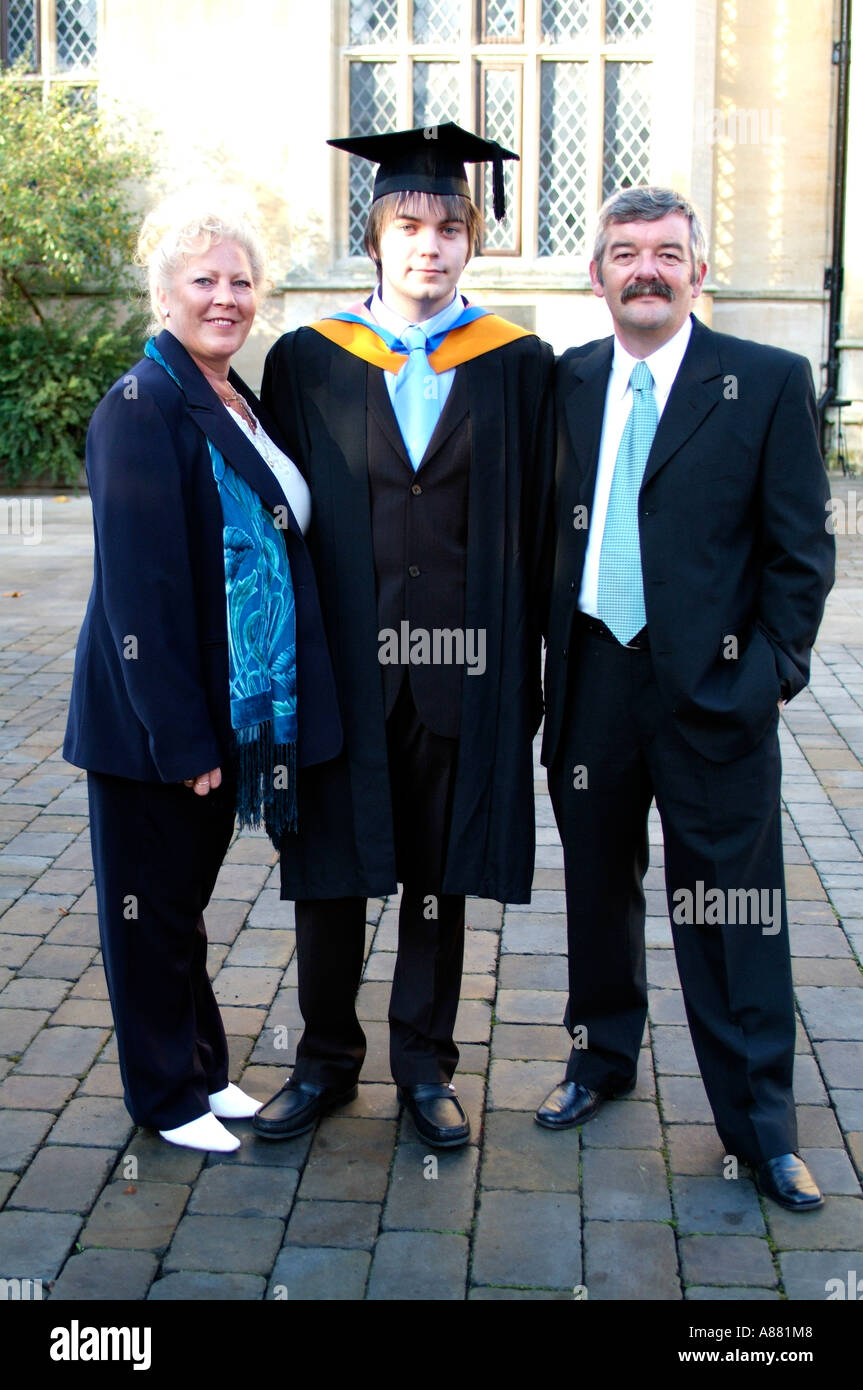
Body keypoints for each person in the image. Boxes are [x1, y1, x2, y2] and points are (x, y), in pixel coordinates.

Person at [253, 123, 553, 1148]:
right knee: (330, 871)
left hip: (460, 673)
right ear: (373, 238)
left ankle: (424, 1065)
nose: (429, 244)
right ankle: (323, 1062)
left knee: (435, 875)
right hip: (345, 666)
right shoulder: (306, 361)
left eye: (449, 226)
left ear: (475, 241)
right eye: (409, 224)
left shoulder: (517, 364)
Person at [538, 186, 835, 1211]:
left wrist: (761, 680)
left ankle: (760, 1128)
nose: (645, 269)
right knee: (594, 893)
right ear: (597, 275)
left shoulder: (761, 382)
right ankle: (597, 1059)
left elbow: (801, 557)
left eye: (666, 252)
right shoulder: (566, 382)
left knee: (731, 913)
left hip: (713, 693)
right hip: (591, 680)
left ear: (696, 270)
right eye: (624, 252)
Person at [63, 191, 341, 1153]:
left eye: (240, 280)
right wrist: (180, 735)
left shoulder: (228, 394)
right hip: (154, 723)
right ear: (164, 293)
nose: (226, 296)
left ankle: (204, 1071)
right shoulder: (140, 408)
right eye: (204, 280)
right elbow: (141, 596)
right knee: (149, 913)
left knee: (179, 906)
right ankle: (164, 1097)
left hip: (229, 706)